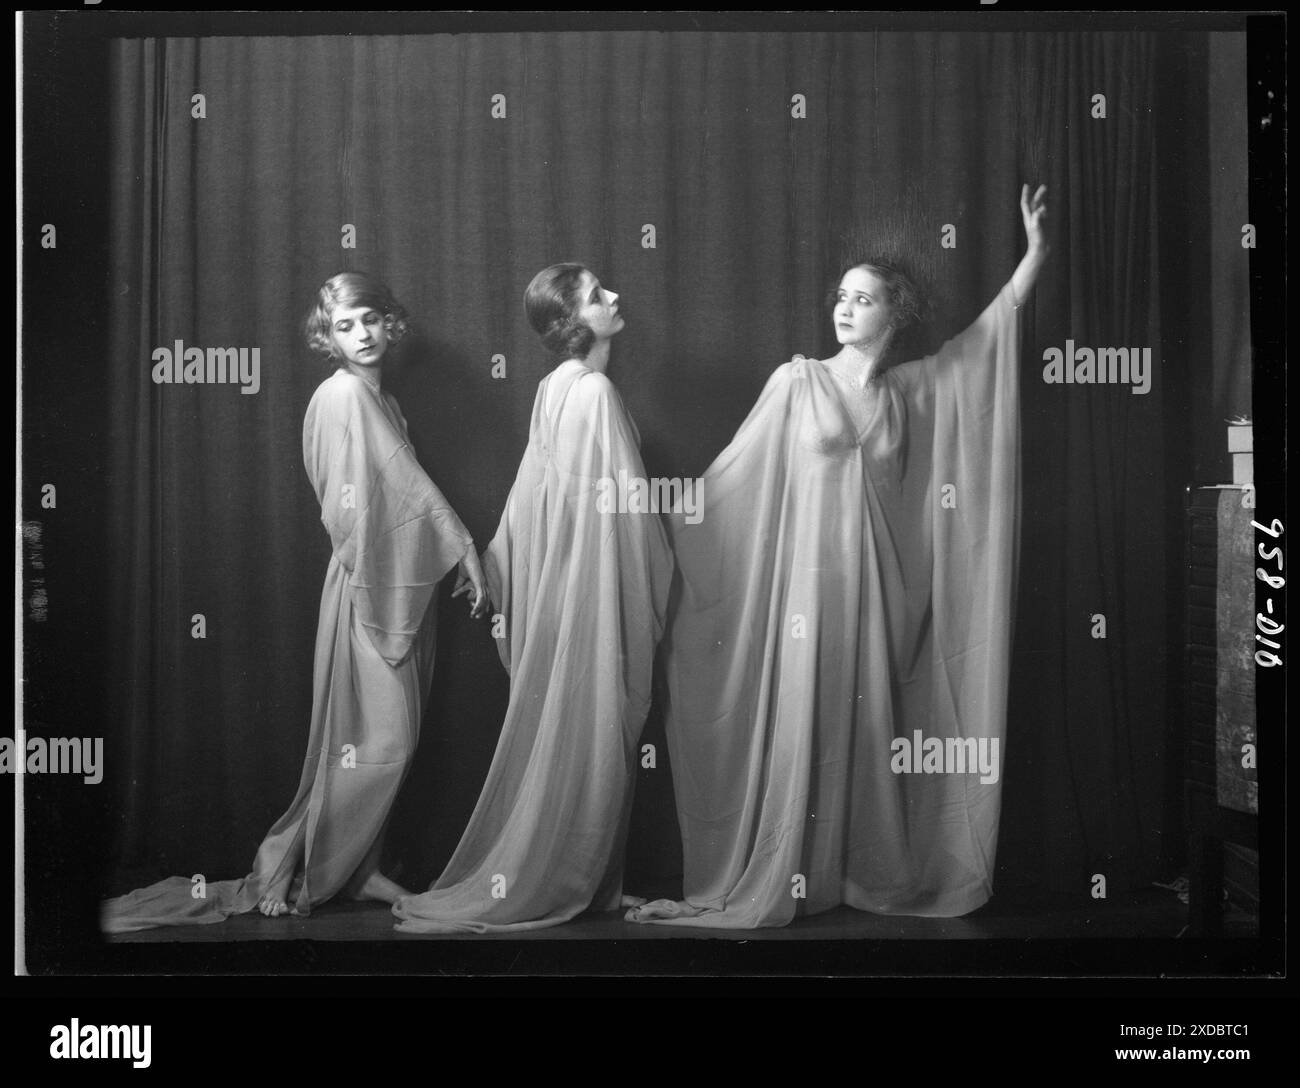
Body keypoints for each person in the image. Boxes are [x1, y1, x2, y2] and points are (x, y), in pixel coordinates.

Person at [628, 186, 1050, 928]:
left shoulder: (908, 392)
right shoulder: (797, 381)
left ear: (896, 313)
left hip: (880, 600)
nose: (845, 309)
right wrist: (645, 509)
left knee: (863, 737)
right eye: (841, 297)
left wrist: (1035, 257)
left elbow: (979, 353)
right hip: (806, 600)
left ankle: (851, 872)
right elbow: (730, 481)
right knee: (804, 726)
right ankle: (784, 875)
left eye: (863, 299)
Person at [102, 272, 486, 931]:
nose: (361, 334)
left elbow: (401, 486)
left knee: (386, 737)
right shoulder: (342, 397)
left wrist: (445, 549)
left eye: (369, 319)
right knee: (374, 740)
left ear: (388, 322)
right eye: (345, 325)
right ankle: (294, 867)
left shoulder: (383, 399)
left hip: (400, 582)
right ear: (326, 337)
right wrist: (461, 545)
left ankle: (358, 868)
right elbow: (366, 504)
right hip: (369, 583)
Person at [392, 264, 673, 934]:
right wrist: (665, 566)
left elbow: (530, 492)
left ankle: (591, 882)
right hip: (593, 594)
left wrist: (499, 558)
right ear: (578, 320)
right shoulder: (592, 391)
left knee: (588, 723)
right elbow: (626, 511)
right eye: (599, 295)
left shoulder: (555, 387)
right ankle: (572, 880)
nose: (615, 297)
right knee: (600, 719)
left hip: (568, 592)